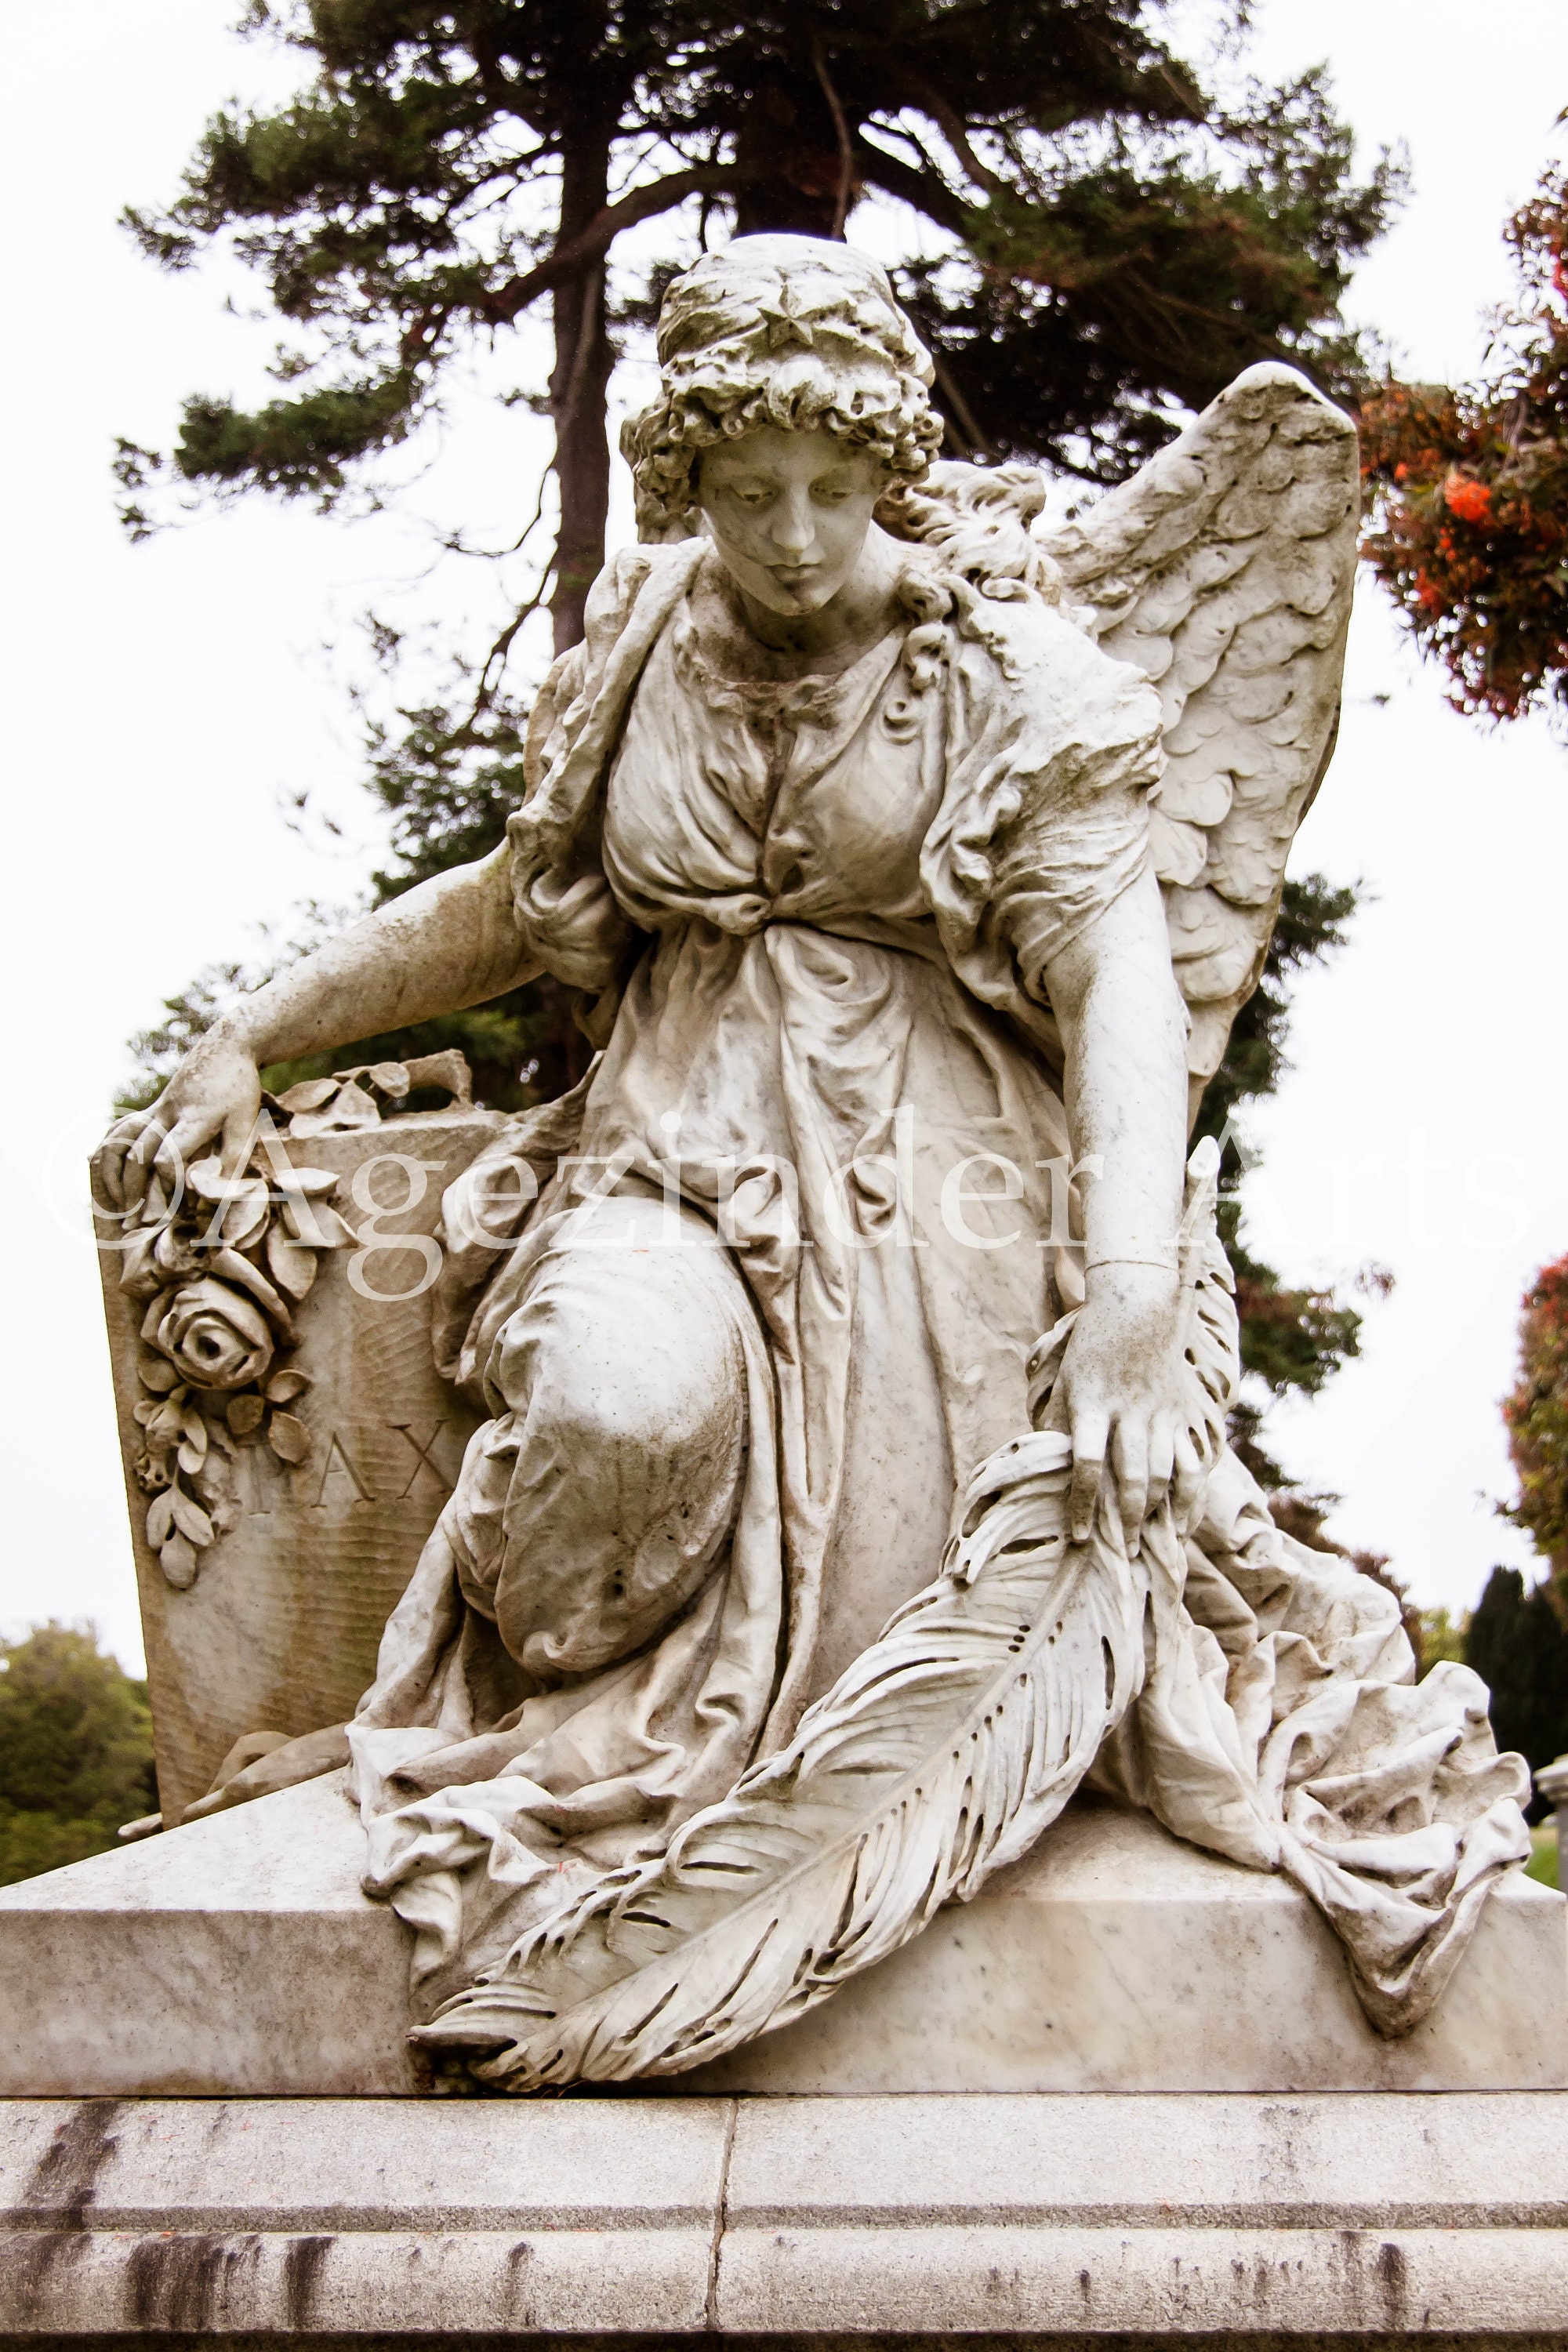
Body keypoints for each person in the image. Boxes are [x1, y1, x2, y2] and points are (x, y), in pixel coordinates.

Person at [95, 238, 1526, 2030]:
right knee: (618, 1411)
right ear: (687, 475)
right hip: (671, 1149)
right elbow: (513, 901)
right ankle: (538, 1702)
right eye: (746, 491)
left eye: (831, 492)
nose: (788, 536)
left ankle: (805, 1803)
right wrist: (258, 1025)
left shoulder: (1004, 672)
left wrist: (1132, 1288)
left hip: (945, 1192)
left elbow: (1120, 980)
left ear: (885, 471)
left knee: (929, 1556)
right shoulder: (636, 647)